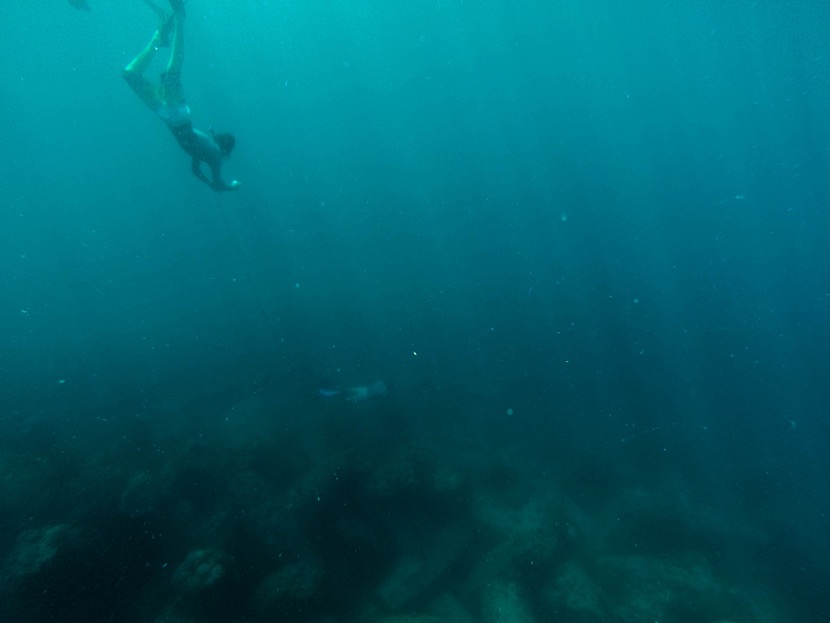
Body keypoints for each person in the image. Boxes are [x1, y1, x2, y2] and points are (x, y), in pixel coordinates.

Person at [123, 0, 240, 192]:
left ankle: (158, 39)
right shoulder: (215, 157)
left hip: (166, 114)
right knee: (171, 73)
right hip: (175, 115)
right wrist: (231, 186)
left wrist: (211, 183)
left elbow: (195, 170)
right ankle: (179, 18)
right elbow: (218, 184)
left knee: (131, 75)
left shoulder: (206, 153)